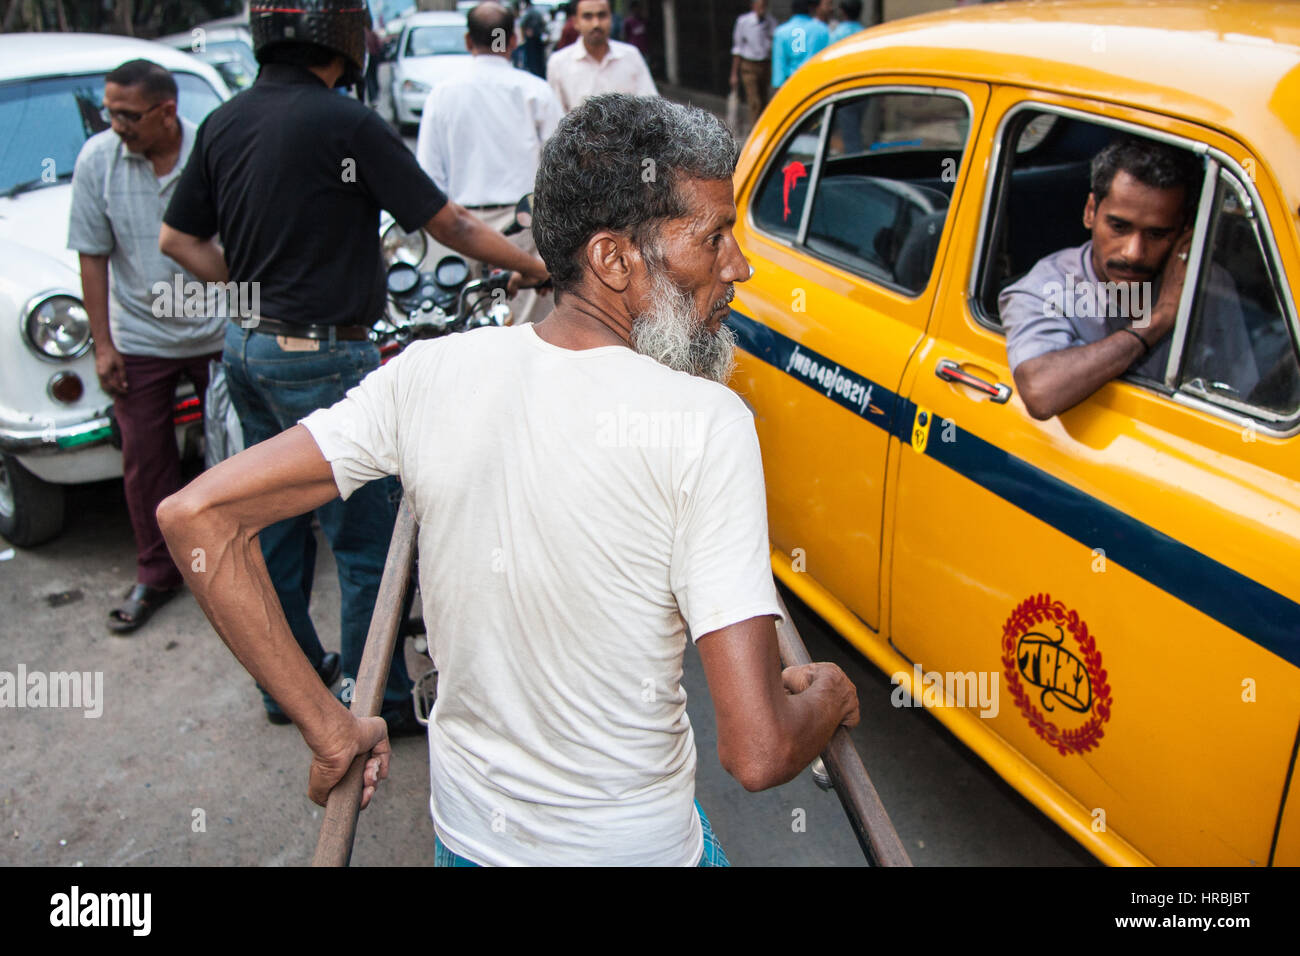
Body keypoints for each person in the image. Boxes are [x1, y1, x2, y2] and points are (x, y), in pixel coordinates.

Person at [157, 93, 860, 866]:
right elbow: (758, 752)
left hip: (468, 844)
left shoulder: (429, 372)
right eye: (715, 237)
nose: (739, 266)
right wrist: (826, 696)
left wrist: (330, 732)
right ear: (614, 259)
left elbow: (200, 516)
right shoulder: (706, 422)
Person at [159, 0, 549, 731]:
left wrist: (255, 292)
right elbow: (452, 224)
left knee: (271, 523)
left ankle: (290, 686)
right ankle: (382, 700)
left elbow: (177, 240)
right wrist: (533, 267)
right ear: (343, 37)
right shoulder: (346, 122)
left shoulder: (224, 121)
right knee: (367, 540)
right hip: (324, 355)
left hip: (245, 348)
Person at [67, 60, 226, 635]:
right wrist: (102, 344)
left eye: (128, 114)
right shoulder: (97, 160)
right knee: (145, 458)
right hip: (141, 334)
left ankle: (237, 565)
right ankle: (157, 571)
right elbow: (92, 253)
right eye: (109, 111)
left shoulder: (210, 150)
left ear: (167, 111)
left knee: (235, 450)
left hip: (217, 328)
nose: (116, 124)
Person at [1000, 137, 1257, 419]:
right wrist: (1158, 320)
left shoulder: (1205, 284)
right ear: (1090, 212)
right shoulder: (1045, 288)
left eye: (1157, 234)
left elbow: (1242, 398)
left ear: (1185, 231)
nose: (1134, 253)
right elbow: (1041, 392)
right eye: (1119, 226)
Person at [417, 2, 562, 325]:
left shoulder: (442, 94)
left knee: (471, 331)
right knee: (525, 333)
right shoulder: (535, 91)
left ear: (469, 41)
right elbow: (560, 170)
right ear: (513, 41)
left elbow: (428, 177)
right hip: (524, 226)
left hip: (462, 229)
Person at [547, 0, 656, 113]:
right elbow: (556, 117)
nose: (596, 24)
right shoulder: (558, 63)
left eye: (602, 15)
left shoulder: (631, 56)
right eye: (587, 16)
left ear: (611, 18)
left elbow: (651, 107)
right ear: (576, 22)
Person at [730, 0, 777, 133]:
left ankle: (763, 131)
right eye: (759, 5)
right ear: (753, 5)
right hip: (749, 65)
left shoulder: (771, 22)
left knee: (764, 101)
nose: (762, 8)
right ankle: (755, 132)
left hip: (765, 65)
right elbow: (737, 48)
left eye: (764, 5)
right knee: (754, 102)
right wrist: (734, 74)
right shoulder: (743, 22)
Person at [772, 0, 830, 90]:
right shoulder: (823, 30)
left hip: (791, 84)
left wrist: (778, 87)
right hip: (816, 84)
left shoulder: (781, 32)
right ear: (811, 9)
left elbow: (779, 68)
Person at [514, 0, 548, 77]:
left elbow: (522, 24)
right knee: (538, 61)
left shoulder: (528, 13)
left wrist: (523, 37)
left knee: (531, 61)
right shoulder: (538, 12)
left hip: (531, 40)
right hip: (538, 39)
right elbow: (544, 26)